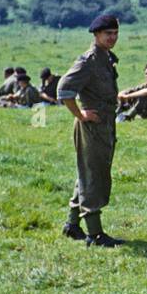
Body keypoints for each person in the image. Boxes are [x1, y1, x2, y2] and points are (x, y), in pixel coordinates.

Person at [58, 13, 123, 247]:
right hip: (92, 125)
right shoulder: (88, 61)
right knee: (93, 176)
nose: (113, 38)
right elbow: (64, 90)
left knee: (88, 172)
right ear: (96, 35)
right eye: (108, 34)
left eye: (115, 33)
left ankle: (72, 225)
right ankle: (95, 234)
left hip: (105, 123)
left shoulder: (105, 58)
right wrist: (80, 114)